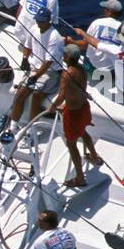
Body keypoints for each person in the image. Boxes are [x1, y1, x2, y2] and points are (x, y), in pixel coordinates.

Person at [49, 44, 103, 187]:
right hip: (84, 108)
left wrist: (53, 107)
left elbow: (61, 96)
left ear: (67, 57)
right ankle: (95, 158)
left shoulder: (67, 75)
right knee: (83, 132)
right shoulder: (82, 68)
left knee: (71, 145)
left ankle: (80, 178)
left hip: (73, 114)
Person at [10, 9, 65, 123]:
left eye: (41, 21)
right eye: (38, 20)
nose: (39, 23)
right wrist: (24, 59)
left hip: (50, 72)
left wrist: (35, 77)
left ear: (48, 21)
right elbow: (28, 46)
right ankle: (13, 125)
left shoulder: (55, 36)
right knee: (20, 93)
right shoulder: (34, 28)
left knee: (36, 96)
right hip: (35, 70)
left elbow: (48, 62)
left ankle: (30, 130)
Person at [70, 0, 123, 70]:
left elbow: (85, 45)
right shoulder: (123, 28)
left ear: (109, 11)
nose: (104, 10)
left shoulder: (96, 22)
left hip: (92, 68)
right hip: (112, 70)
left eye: (105, 8)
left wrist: (71, 42)